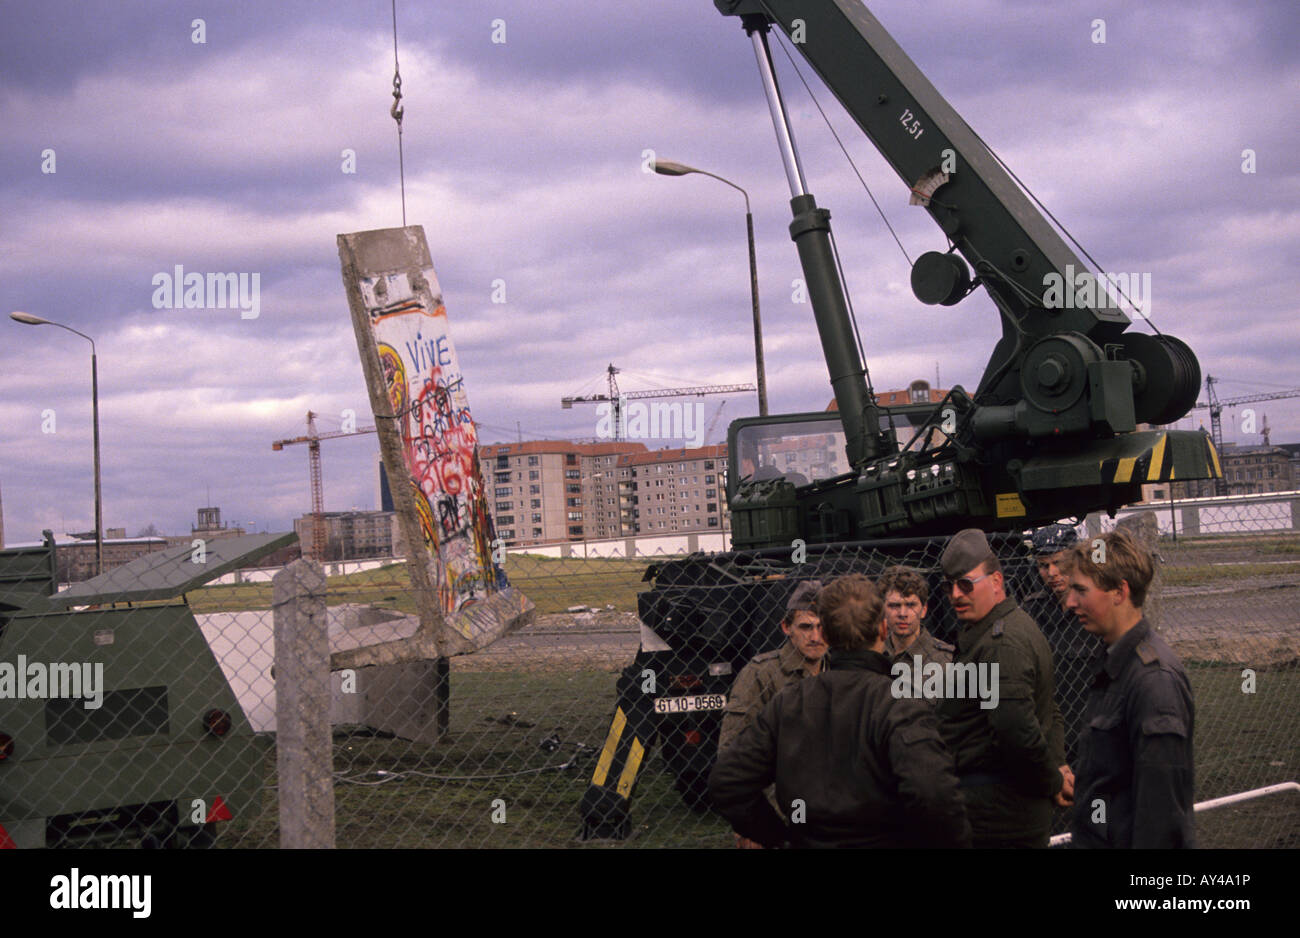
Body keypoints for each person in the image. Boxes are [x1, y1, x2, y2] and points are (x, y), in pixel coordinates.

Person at [708, 574, 972, 848]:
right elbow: (934, 794)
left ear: (824, 634)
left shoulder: (790, 702)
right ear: (883, 629)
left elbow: (727, 781)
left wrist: (778, 836)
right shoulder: (899, 704)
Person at [933, 528, 1068, 848]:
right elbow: (1049, 708)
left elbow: (1016, 731)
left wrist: (1052, 779)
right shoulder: (1002, 629)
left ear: (996, 581)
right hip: (1003, 807)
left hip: (998, 815)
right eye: (948, 586)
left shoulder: (1000, 644)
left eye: (966, 584)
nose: (955, 595)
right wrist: (1056, 767)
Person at [1064, 528, 1195, 848]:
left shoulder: (1153, 682)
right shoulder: (1116, 663)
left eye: (1081, 590)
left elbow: (1161, 819)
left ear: (1119, 592)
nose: (1070, 602)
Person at [1021, 524, 1103, 763]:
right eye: (1043, 566)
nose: (1052, 572)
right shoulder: (1032, 609)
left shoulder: (1095, 609)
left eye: (1059, 563)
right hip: (1050, 729)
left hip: (1091, 725)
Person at [717, 580, 826, 753]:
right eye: (806, 627)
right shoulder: (760, 674)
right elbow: (732, 749)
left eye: (822, 627)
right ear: (786, 627)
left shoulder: (839, 669)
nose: (815, 637)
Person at [877, 565, 954, 670]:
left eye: (910, 605)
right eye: (894, 605)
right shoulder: (874, 655)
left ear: (924, 610)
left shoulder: (946, 660)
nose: (902, 614)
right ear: (883, 609)